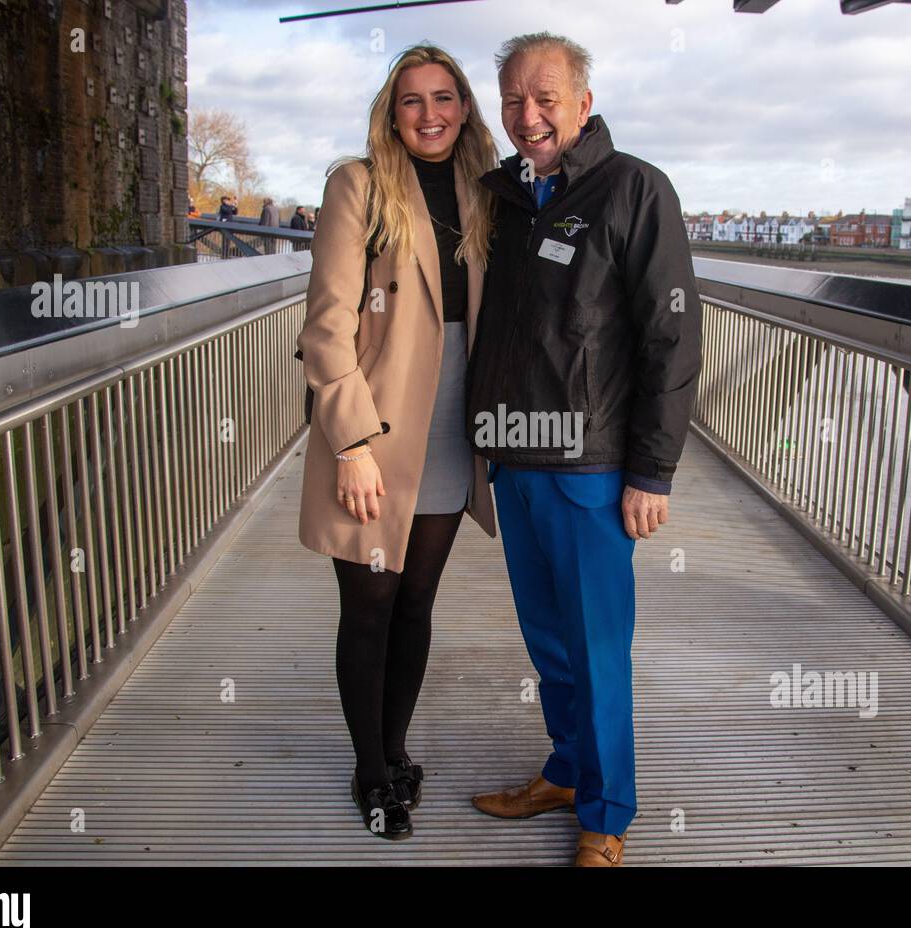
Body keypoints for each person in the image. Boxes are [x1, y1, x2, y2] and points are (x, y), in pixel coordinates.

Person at [465, 33, 700, 866]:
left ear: (583, 103)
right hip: (517, 460)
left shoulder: (633, 189)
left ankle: (606, 818)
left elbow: (672, 338)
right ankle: (566, 770)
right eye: (514, 102)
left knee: (598, 650)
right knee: (550, 643)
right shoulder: (504, 197)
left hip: (593, 466)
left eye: (546, 98)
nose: (529, 116)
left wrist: (652, 471)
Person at [295, 44, 499, 840]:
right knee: (371, 603)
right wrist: (350, 444)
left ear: (464, 107)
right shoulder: (359, 184)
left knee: (417, 599)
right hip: (375, 422)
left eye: (444, 97)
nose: (430, 114)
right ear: (392, 110)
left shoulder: (487, 192)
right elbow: (325, 327)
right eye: (411, 100)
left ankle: (396, 744)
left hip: (452, 420)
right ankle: (370, 772)